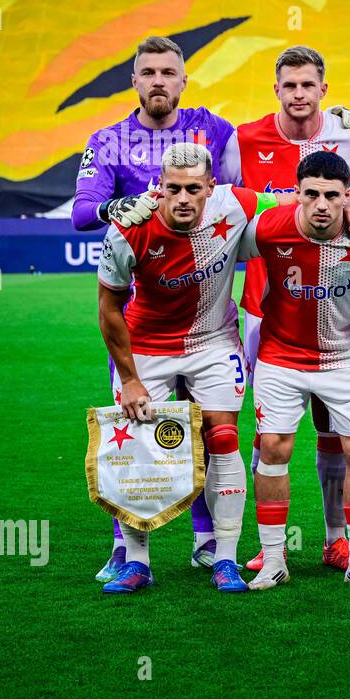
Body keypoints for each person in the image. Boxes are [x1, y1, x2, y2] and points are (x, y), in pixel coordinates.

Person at [76, 35, 237, 581]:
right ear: (135, 79)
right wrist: (120, 206)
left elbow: (242, 195)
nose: (159, 81)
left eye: (169, 72)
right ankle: (127, 549)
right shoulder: (109, 139)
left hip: (207, 305)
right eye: (148, 72)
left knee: (211, 430)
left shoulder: (214, 128)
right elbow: (81, 212)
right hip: (143, 309)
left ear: (184, 80)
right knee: (140, 428)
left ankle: (207, 538)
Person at [221, 45, 350, 574]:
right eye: (289, 85)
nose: (298, 94)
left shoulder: (346, 140)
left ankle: (339, 539)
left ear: (323, 89)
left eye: (308, 85)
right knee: (271, 434)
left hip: (336, 317)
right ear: (276, 89)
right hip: (266, 312)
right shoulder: (244, 139)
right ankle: (269, 545)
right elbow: (226, 204)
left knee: (337, 431)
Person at [95, 143, 270, 593]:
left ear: (211, 187)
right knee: (134, 445)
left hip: (213, 341)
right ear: (161, 185)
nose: (184, 198)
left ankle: (225, 558)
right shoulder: (128, 229)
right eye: (173, 188)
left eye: (194, 188)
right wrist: (130, 379)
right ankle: (136, 561)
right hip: (147, 347)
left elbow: (296, 204)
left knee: (224, 438)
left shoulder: (235, 204)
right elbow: (109, 309)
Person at [235, 151, 350, 589]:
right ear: (296, 194)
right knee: (275, 450)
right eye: (312, 194)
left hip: (348, 360)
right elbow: (217, 216)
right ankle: (275, 557)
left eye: (333, 196)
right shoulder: (266, 229)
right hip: (281, 357)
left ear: (348, 197)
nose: (322, 204)